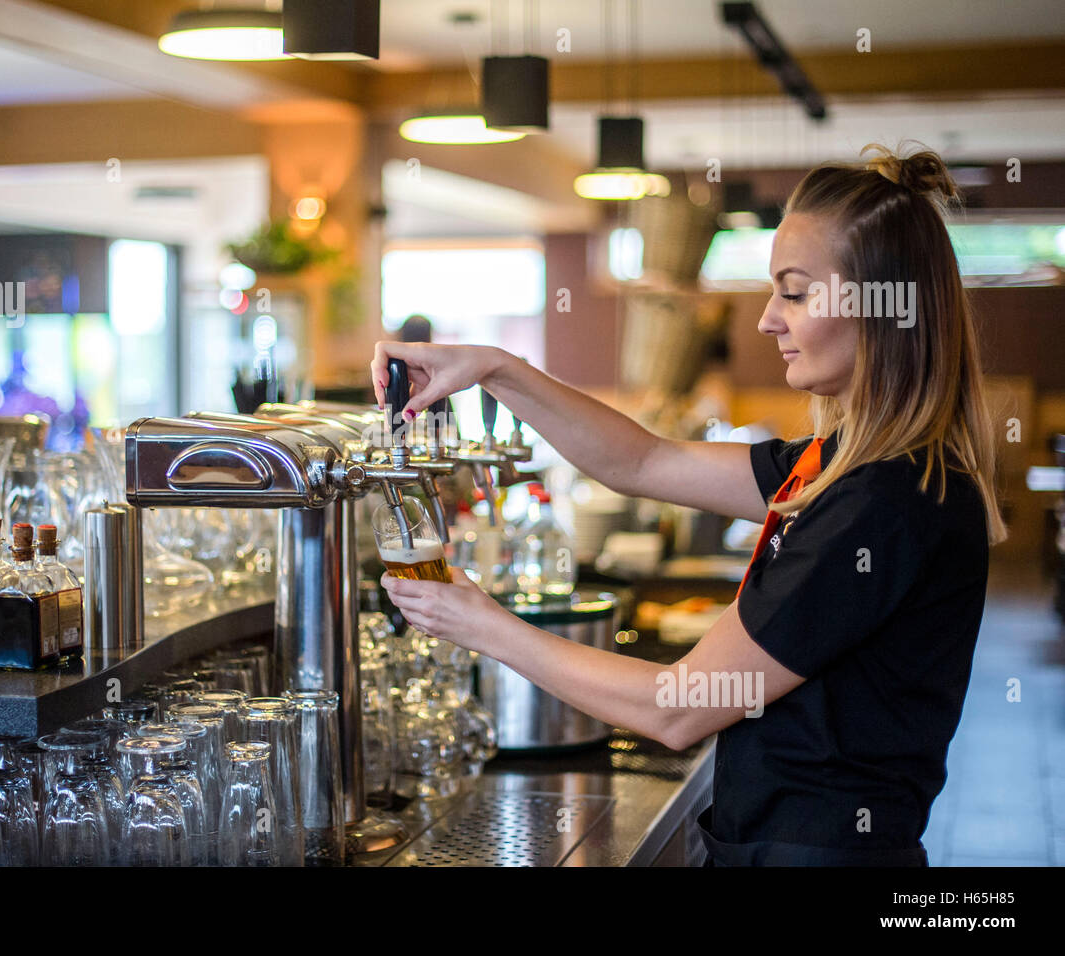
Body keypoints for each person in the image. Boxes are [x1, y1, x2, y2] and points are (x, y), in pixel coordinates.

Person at [371, 143, 1006, 867]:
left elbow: (678, 708)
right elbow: (643, 460)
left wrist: (483, 623)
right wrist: (492, 366)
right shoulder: (839, 467)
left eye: (794, 293)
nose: (767, 319)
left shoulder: (886, 500)